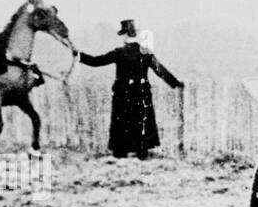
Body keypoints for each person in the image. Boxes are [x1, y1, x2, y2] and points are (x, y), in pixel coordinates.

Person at [78, 19, 184, 159]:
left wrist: (78, 55)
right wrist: (176, 83)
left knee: (122, 122)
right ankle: (142, 152)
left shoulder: (119, 52)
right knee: (142, 121)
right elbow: (161, 71)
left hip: (123, 93)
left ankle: (121, 152)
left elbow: (96, 61)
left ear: (124, 36)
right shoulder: (145, 53)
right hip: (141, 92)